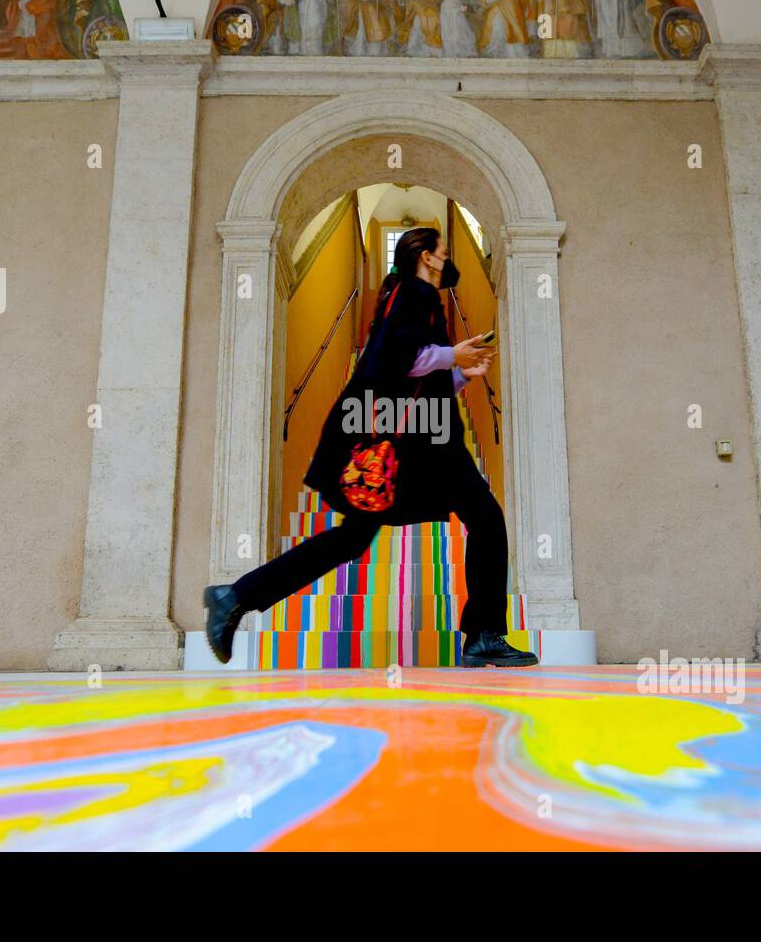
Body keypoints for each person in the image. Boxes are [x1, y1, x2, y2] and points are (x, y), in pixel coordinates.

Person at [204, 227, 538, 668]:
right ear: (427, 256)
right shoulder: (413, 293)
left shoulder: (413, 296)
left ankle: (236, 596)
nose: (447, 256)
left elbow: (416, 378)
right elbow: (391, 360)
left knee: (354, 538)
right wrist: (450, 356)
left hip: (420, 438)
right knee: (485, 519)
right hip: (419, 441)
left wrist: (461, 373)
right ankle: (482, 636)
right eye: (443, 250)